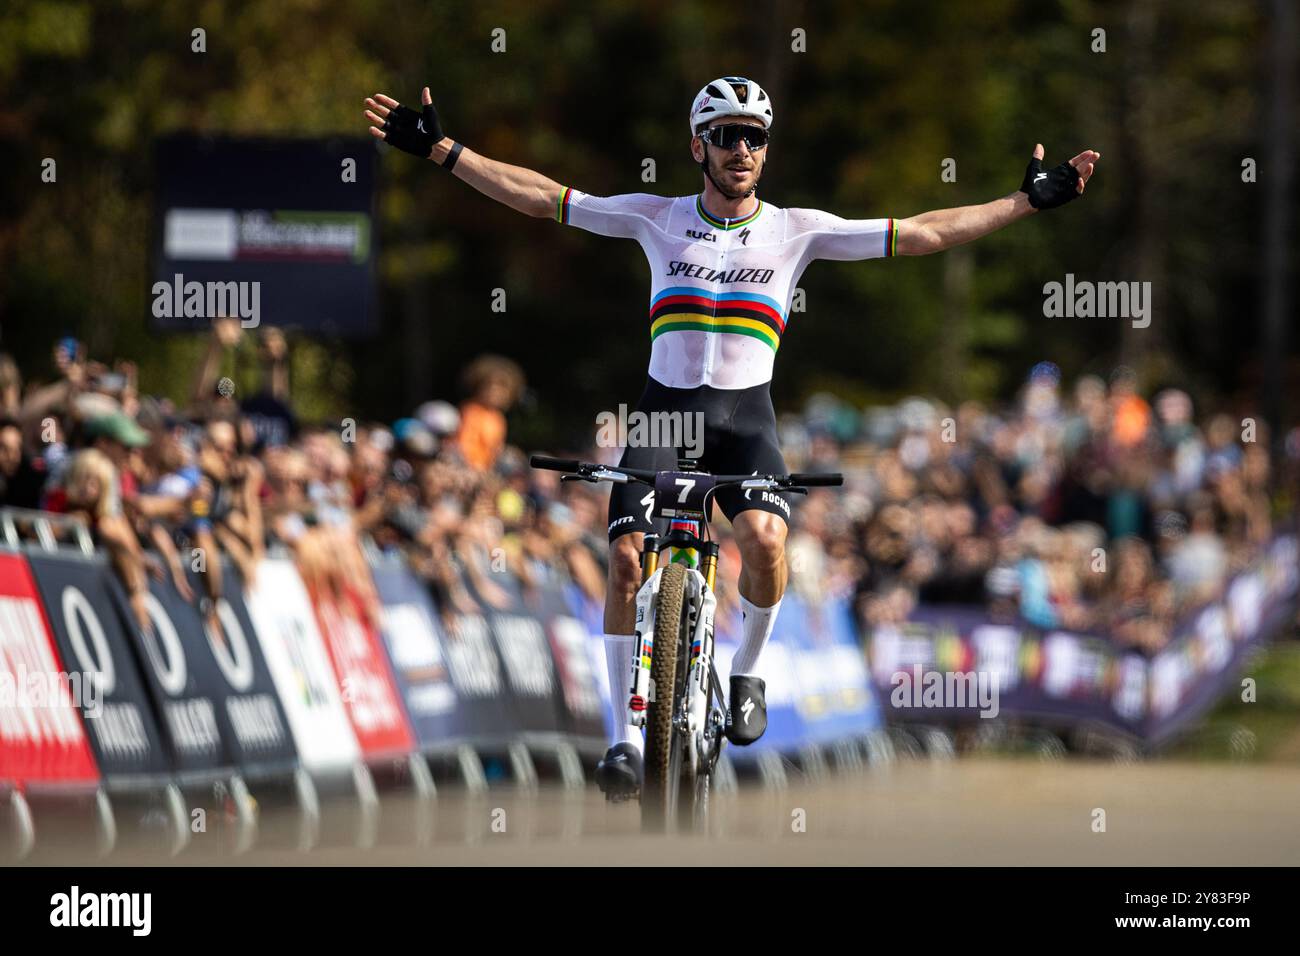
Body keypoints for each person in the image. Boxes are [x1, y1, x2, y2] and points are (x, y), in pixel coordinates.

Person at [365, 76, 1101, 797]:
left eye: (754, 137)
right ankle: (624, 741)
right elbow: (542, 197)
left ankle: (748, 671)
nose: (741, 149)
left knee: (769, 543)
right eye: (727, 137)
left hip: (745, 419)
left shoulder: (796, 230)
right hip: (664, 413)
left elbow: (922, 233)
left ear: (766, 150)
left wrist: (1025, 203)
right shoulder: (655, 216)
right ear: (699, 146)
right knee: (624, 560)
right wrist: (443, 153)